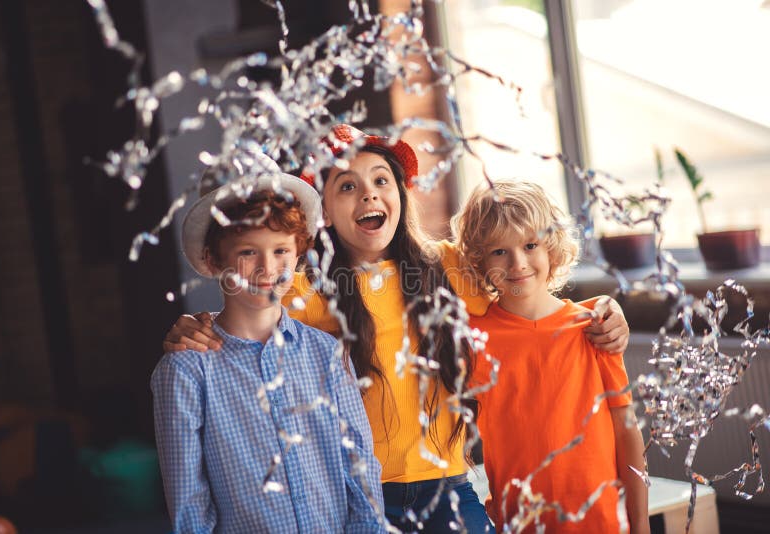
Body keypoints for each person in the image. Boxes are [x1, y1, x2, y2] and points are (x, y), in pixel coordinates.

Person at [163, 125, 631, 533]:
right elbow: (248, 311)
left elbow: (527, 296)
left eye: (380, 180)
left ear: (400, 194)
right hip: (361, 498)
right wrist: (194, 325)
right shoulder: (302, 289)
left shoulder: (449, 267)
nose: (368, 195)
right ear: (322, 212)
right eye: (347, 187)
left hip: (448, 486)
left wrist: (599, 308)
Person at [151, 154, 384, 533]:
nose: (267, 269)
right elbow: (188, 503)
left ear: (298, 254)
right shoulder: (186, 371)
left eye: (280, 251)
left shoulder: (327, 353)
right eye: (247, 252)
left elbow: (360, 467)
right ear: (212, 260)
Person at [452, 180, 649, 533]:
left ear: (552, 247)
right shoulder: (471, 336)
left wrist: (642, 523)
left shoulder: (595, 326)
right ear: (479, 259)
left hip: (601, 523)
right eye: (499, 251)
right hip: (520, 523)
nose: (518, 263)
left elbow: (626, 430)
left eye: (530, 245)